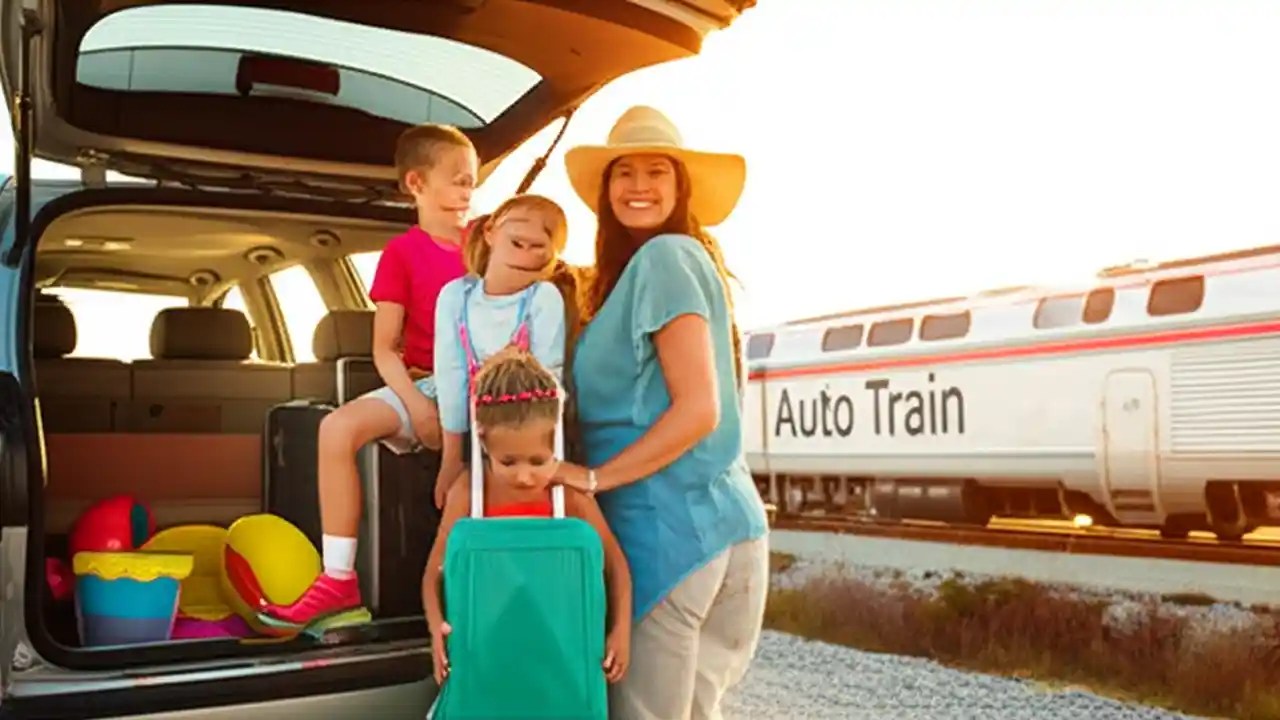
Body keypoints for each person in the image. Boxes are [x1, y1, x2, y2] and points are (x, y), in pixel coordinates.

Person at [552, 105, 770, 720]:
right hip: (725, 527)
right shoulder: (677, 264)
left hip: (665, 535)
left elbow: (698, 410)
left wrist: (593, 479)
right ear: (606, 188)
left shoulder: (665, 258)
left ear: (680, 188)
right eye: (624, 172)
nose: (639, 186)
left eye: (656, 172)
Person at [261, 123, 476, 630]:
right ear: (416, 183)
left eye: (473, 181)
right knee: (336, 427)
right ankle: (338, 579)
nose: (469, 191)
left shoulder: (486, 245)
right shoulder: (402, 254)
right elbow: (384, 349)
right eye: (458, 180)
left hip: (480, 388)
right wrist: (419, 406)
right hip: (424, 383)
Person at [422, 347, 633, 688]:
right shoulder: (469, 494)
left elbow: (616, 566)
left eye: (538, 461)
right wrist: (436, 629)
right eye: (508, 462)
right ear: (483, 442)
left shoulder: (568, 496)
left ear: (557, 445)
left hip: (559, 664)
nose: (524, 476)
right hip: (488, 659)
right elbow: (434, 573)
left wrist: (621, 630)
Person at [430, 194, 575, 507]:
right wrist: (450, 460)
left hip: (526, 429)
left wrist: (541, 459)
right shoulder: (456, 296)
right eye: (516, 241)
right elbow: (450, 376)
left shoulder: (543, 297)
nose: (523, 252)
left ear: (550, 256)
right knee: (461, 500)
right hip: (470, 423)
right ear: (490, 232)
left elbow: (549, 380)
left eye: (536, 246)